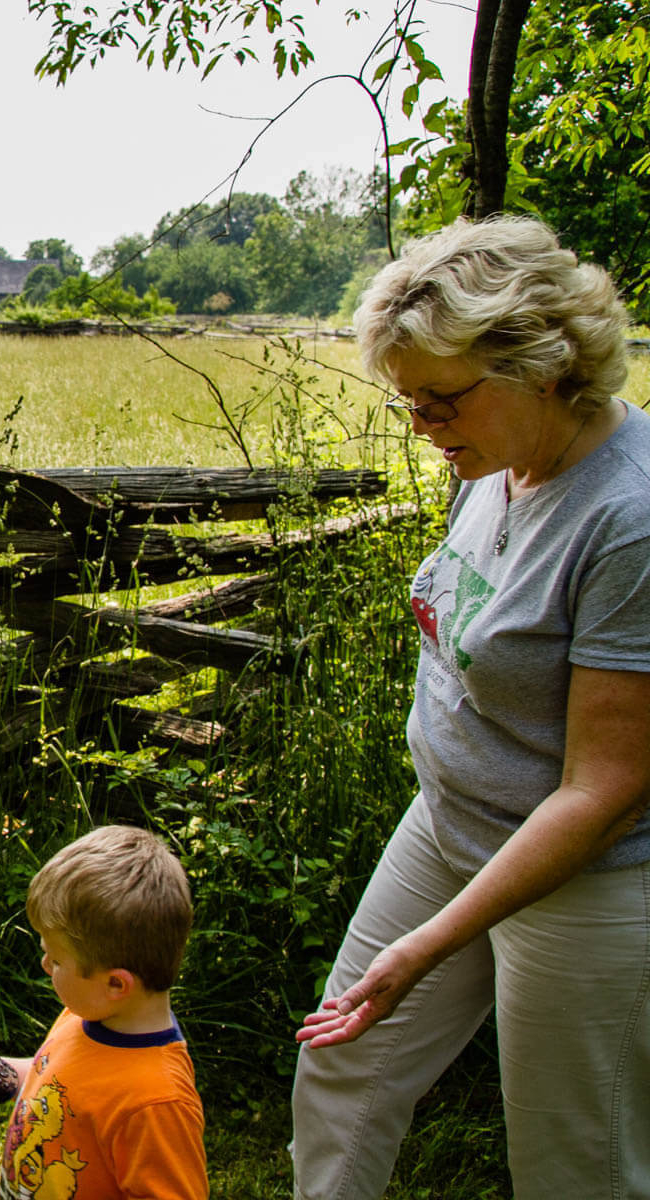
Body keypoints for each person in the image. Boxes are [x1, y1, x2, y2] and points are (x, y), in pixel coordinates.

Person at [291, 215, 650, 1199]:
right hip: (450, 827)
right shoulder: (490, 462)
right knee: (342, 1065)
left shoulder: (631, 518)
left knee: (575, 1163)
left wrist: (433, 943)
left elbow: (607, 787)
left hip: (588, 881)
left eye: (439, 401)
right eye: (408, 401)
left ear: (543, 365)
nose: (422, 427)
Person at [0, 824, 206, 1199]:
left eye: (57, 959)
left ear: (116, 984)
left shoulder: (156, 1103)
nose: (45, 964)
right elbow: (57, 1083)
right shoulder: (86, 1016)